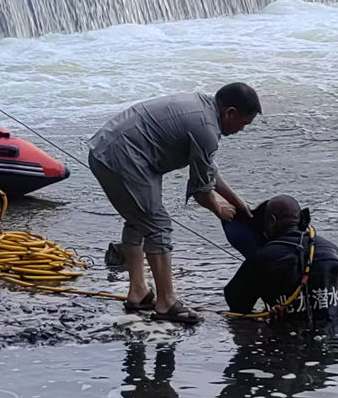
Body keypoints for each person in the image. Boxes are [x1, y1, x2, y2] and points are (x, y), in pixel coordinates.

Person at [88, 82, 262, 324]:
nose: (241, 129)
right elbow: (202, 193)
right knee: (158, 224)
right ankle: (166, 302)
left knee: (140, 219)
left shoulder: (203, 109)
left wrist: (237, 201)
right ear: (229, 112)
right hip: (122, 156)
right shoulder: (206, 129)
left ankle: (138, 291)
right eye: (243, 123)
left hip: (113, 149)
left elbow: (207, 168)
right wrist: (219, 209)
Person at [223, 194, 338, 322]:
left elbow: (236, 303)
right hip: (336, 332)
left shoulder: (263, 257)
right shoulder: (332, 250)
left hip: (286, 336)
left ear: (272, 221)